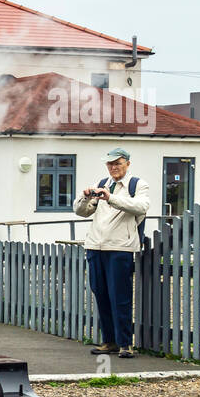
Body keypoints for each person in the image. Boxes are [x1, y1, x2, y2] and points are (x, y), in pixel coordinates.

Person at [74, 147, 150, 358]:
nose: (113, 167)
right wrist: (84, 197)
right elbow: (81, 212)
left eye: (117, 163)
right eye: (110, 164)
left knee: (120, 297)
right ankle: (109, 341)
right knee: (101, 294)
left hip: (120, 247)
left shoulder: (137, 185)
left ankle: (125, 343)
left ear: (127, 164)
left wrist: (111, 198)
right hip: (96, 246)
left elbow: (141, 207)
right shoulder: (102, 184)